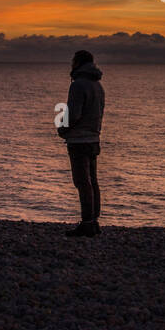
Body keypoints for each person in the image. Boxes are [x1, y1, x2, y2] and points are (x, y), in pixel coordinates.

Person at [57, 50, 105, 237]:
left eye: (73, 61)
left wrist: (62, 129)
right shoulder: (98, 86)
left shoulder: (78, 85)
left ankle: (87, 224)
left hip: (79, 140)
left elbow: (73, 114)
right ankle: (93, 222)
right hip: (94, 138)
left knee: (82, 182)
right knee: (92, 181)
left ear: (77, 63)